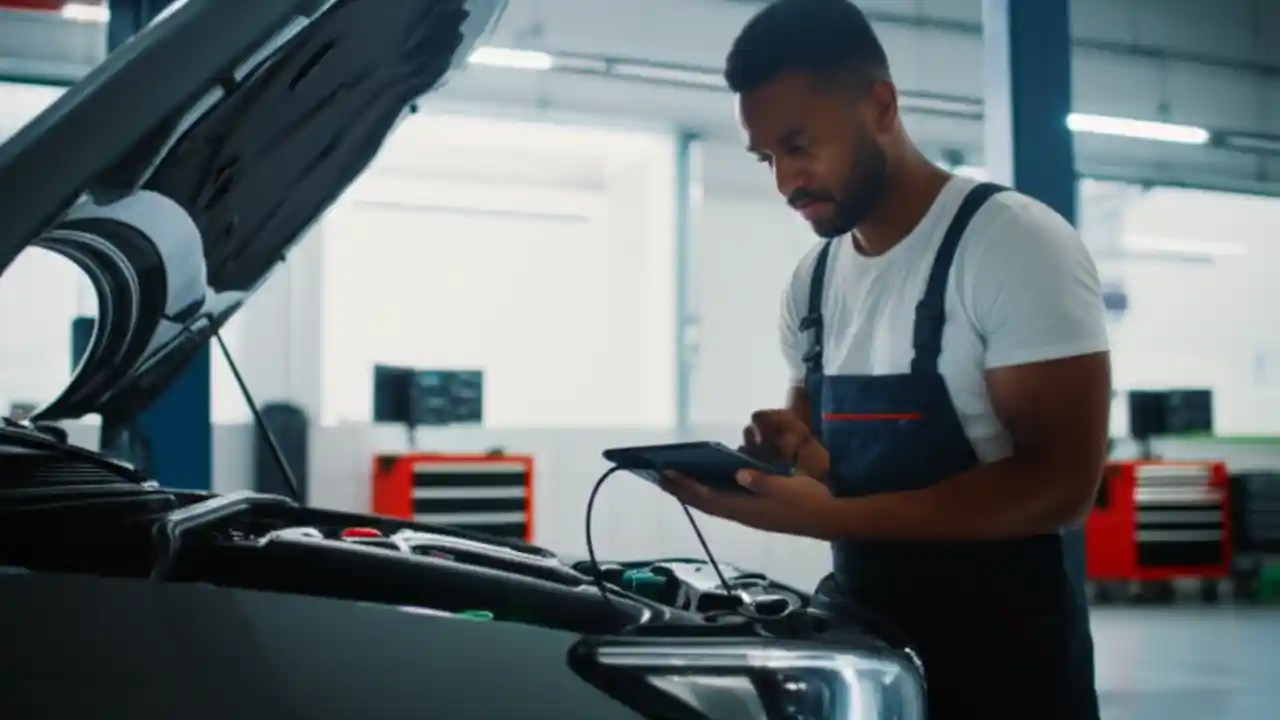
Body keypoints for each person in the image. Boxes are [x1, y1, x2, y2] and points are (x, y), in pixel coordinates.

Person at [657, 0, 1111, 717]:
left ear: (880, 106)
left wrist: (818, 518)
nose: (785, 182)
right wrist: (790, 458)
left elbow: (1059, 484)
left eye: (800, 145)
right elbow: (831, 470)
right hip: (865, 652)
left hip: (1006, 663)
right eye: (768, 157)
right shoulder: (812, 283)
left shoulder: (1011, 244)